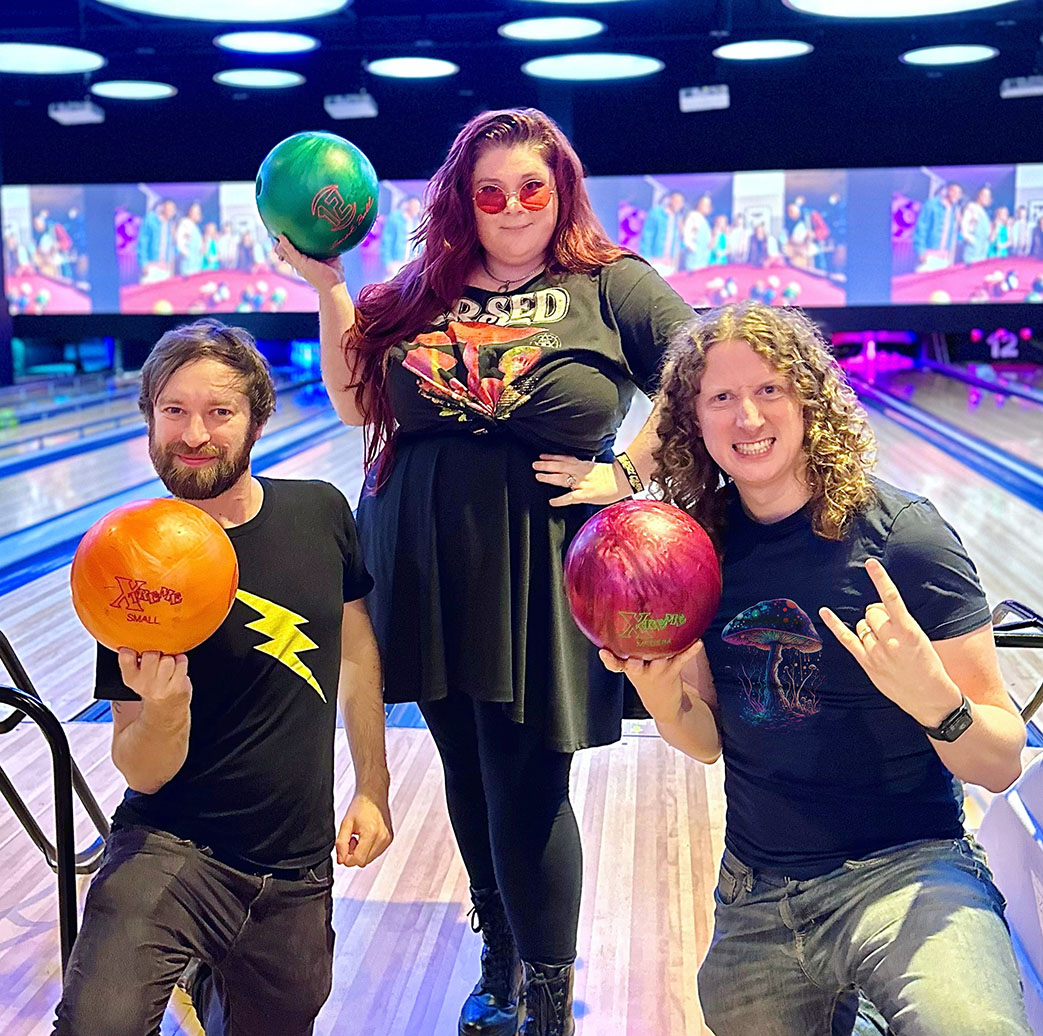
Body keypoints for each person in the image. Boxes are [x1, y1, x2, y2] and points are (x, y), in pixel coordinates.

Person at [276, 107, 694, 1036]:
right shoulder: (422, 287)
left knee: (527, 780)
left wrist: (628, 471)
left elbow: (700, 372)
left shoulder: (610, 282)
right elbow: (355, 403)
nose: (512, 207)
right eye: (490, 191)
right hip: (421, 559)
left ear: (561, 190)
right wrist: (328, 285)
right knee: (466, 769)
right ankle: (499, 953)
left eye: (530, 188)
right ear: (463, 199)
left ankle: (546, 999)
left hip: (542, 569)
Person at [603, 301, 1031, 1036]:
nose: (748, 417)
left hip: (909, 871)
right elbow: (706, 741)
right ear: (693, 421)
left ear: (808, 398)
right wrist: (662, 696)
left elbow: (999, 764)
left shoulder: (905, 539)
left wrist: (936, 702)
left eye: (769, 389)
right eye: (721, 397)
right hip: (757, 891)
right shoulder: (698, 554)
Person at [51, 319, 393, 1036]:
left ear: (258, 421)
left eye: (219, 412)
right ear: (149, 419)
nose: (194, 434)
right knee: (97, 1025)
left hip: (297, 865)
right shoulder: (126, 563)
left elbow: (357, 651)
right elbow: (141, 770)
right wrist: (165, 710)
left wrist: (372, 787)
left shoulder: (319, 511)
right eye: (173, 410)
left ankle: (210, 972)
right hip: (173, 847)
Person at [640, 188, 686, 275]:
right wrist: (647, 258)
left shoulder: (678, 219)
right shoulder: (656, 213)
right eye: (676, 201)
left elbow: (680, 243)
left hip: (670, 263)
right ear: (670, 200)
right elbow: (647, 236)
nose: (678, 204)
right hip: (655, 261)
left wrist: (682, 231)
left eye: (681, 202)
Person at [137, 198, 178, 282]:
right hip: (151, 266)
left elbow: (174, 250)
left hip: (165, 268)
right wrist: (144, 263)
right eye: (169, 208)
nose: (171, 211)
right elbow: (143, 242)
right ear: (163, 207)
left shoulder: (170, 226)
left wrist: (175, 238)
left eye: (173, 210)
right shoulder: (150, 220)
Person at [960, 185, 993, 264]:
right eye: (985, 195)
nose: (987, 198)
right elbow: (964, 227)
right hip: (972, 253)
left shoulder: (984, 213)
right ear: (979, 195)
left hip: (982, 252)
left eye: (989, 196)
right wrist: (972, 241)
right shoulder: (972, 207)